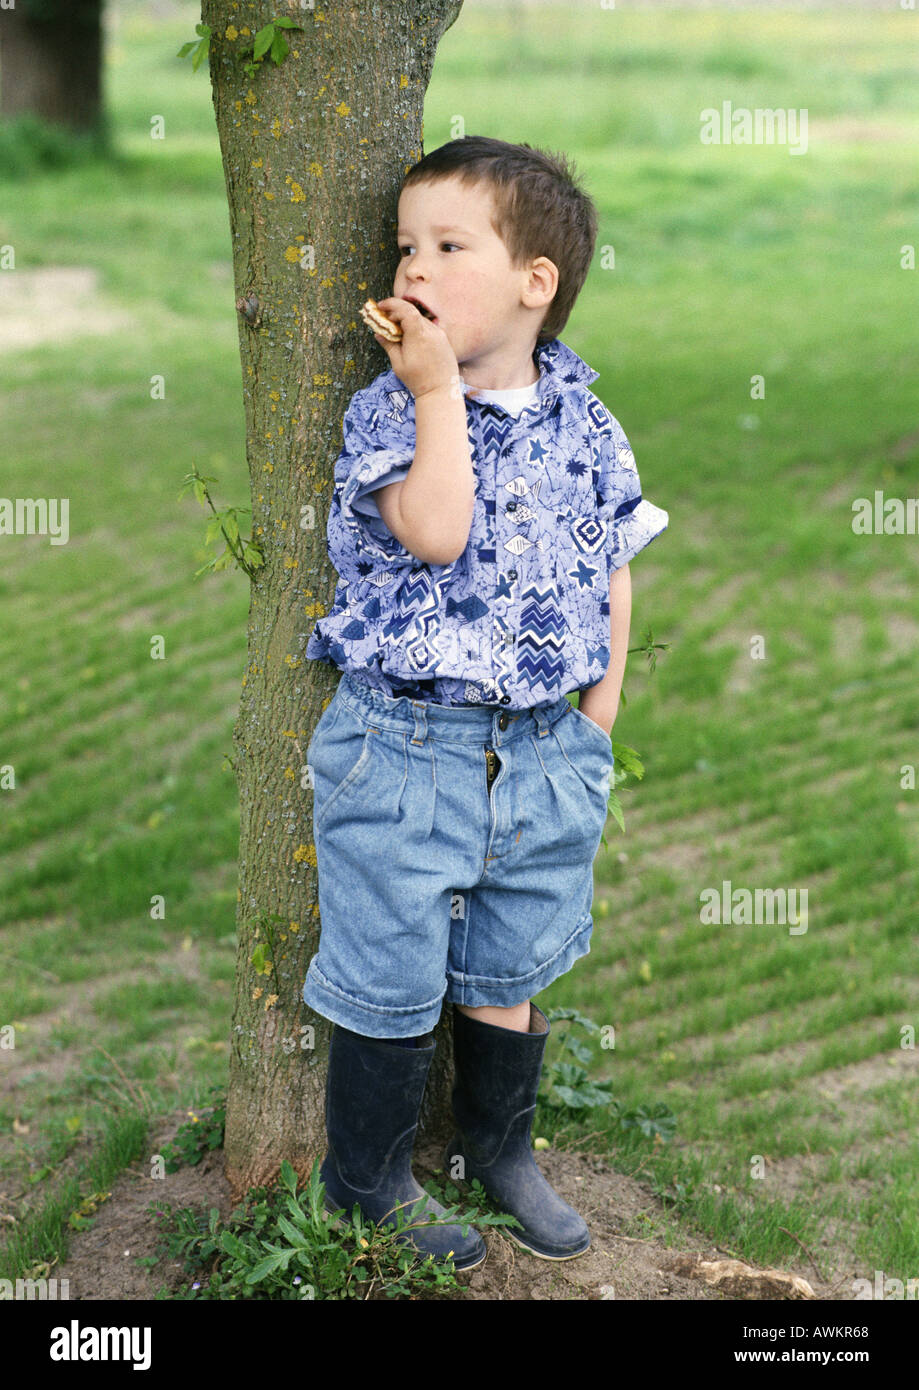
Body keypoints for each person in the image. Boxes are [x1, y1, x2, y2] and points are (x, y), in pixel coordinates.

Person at [301, 136, 668, 1271]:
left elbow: (615, 565)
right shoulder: (389, 412)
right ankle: (364, 1178)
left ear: (534, 282)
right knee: (394, 967)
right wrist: (430, 389)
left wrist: (596, 720)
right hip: (406, 744)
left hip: (546, 747)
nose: (412, 268)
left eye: (448, 247)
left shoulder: (588, 424)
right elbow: (437, 528)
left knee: (510, 961)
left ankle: (500, 1149)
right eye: (405, 246)